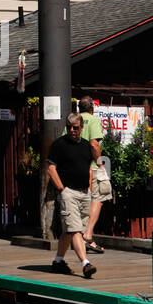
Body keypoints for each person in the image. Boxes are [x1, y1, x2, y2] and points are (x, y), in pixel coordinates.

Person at [46, 113, 98, 278]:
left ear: (82, 128)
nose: (72, 130)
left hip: (84, 192)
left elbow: (90, 166)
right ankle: (85, 263)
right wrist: (62, 189)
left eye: (76, 128)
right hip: (68, 192)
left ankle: (58, 261)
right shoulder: (59, 145)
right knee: (74, 229)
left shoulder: (85, 145)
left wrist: (89, 186)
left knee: (71, 231)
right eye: (69, 127)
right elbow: (51, 168)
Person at [78, 96, 108, 253]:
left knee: (81, 200)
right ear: (92, 108)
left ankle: (80, 236)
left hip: (75, 166)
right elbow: (94, 144)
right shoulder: (93, 120)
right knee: (99, 198)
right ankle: (87, 236)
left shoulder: (74, 120)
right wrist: (100, 163)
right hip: (90, 165)